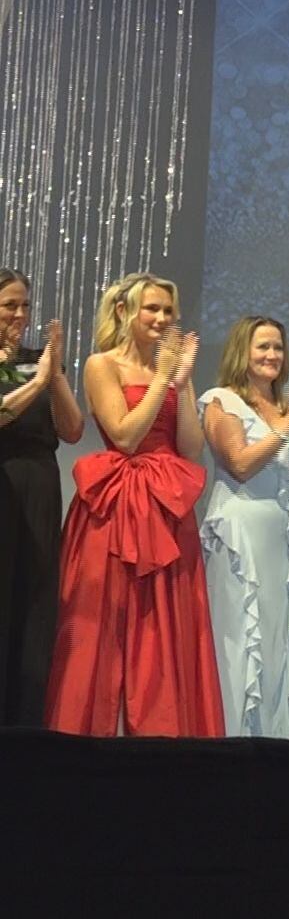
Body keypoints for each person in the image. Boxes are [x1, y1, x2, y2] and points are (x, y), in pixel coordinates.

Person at [45, 272, 221, 736]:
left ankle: (160, 740)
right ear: (125, 311)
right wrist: (163, 377)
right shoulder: (101, 365)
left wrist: (181, 385)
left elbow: (190, 448)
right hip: (116, 505)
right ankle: (85, 743)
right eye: (153, 309)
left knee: (162, 629)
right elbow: (123, 436)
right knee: (103, 625)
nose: (163, 319)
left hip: (166, 504)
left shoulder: (170, 375)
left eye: (169, 312)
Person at [199, 316, 289, 737]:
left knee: (276, 640)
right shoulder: (221, 400)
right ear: (241, 351)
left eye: (278, 347)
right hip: (239, 531)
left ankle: (271, 741)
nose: (272, 356)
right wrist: (284, 430)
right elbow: (240, 465)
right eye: (262, 347)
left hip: (279, 533)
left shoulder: (286, 409)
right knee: (238, 639)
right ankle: (230, 740)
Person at [0, 269, 82, 726]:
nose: (19, 315)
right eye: (9, 304)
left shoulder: (41, 360)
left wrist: (56, 376)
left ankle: (25, 722)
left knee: (34, 600)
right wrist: (37, 380)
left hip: (39, 487)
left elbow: (72, 430)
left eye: (25, 305)